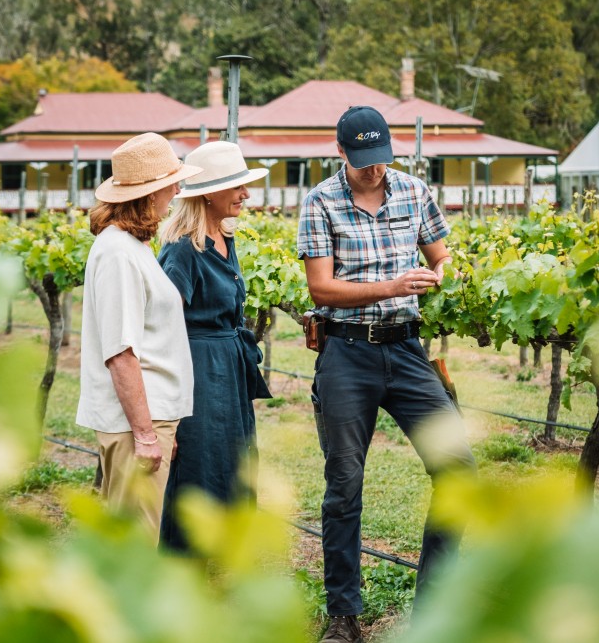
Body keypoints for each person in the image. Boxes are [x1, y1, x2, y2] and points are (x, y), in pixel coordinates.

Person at [296, 106, 476, 643]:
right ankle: (343, 616)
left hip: (406, 351)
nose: (374, 170)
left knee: (459, 470)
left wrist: (441, 272)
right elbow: (321, 290)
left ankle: (435, 607)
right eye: (363, 161)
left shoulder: (413, 191)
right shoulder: (320, 202)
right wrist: (393, 286)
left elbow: (445, 256)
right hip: (347, 353)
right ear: (341, 153)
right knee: (344, 486)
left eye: (381, 159)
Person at [76, 132, 202, 538]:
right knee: (135, 541)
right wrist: (146, 434)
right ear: (149, 194)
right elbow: (121, 352)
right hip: (133, 425)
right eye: (171, 182)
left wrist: (160, 426)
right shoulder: (118, 253)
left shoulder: (130, 247)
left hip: (148, 418)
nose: (177, 190)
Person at [156, 140, 274, 553]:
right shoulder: (183, 250)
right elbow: (161, 324)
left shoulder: (224, 238)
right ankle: (183, 560)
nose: (245, 194)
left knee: (230, 461)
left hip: (228, 368)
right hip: (197, 372)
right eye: (237, 186)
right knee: (197, 465)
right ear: (208, 193)